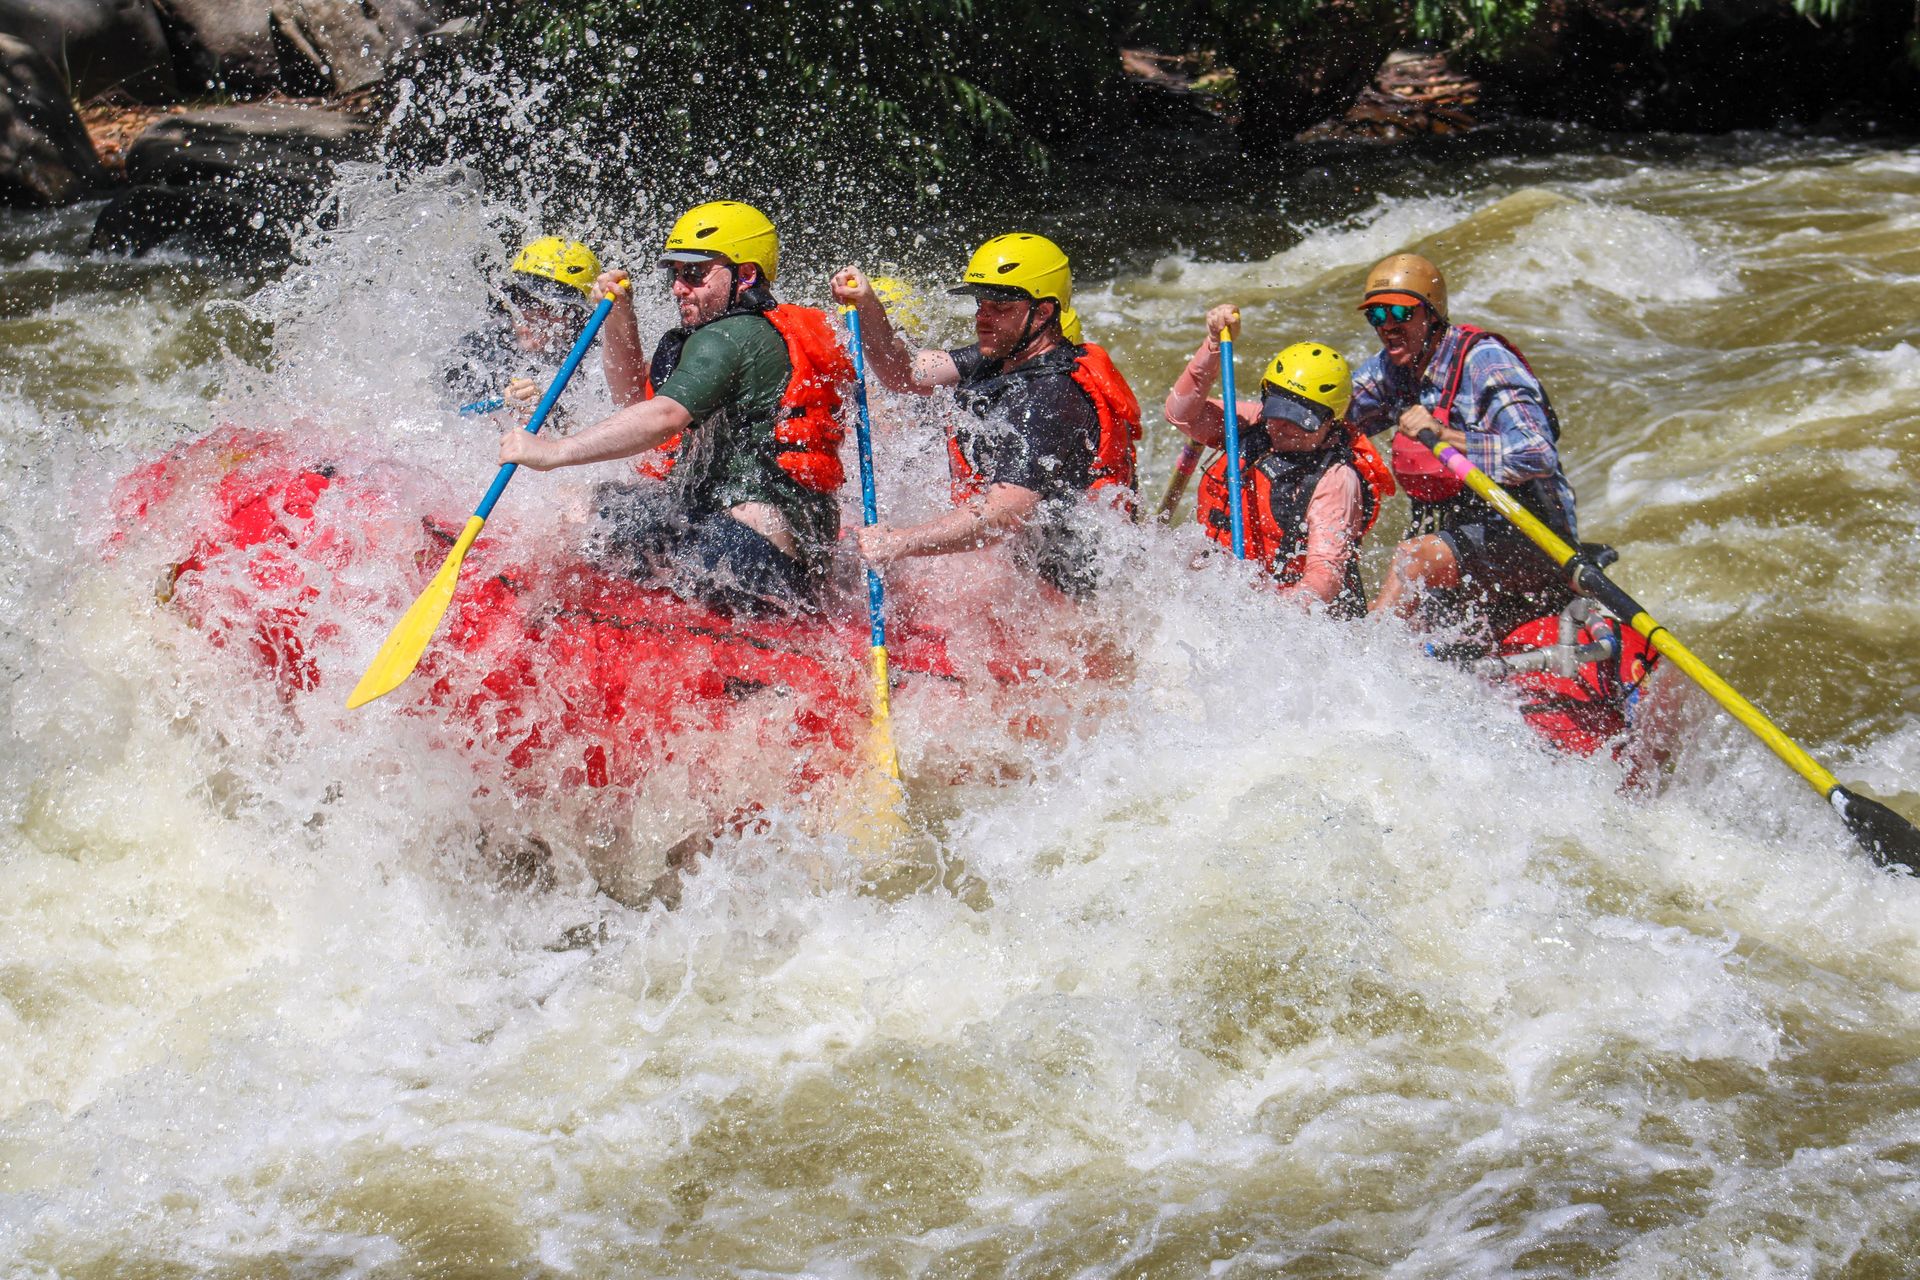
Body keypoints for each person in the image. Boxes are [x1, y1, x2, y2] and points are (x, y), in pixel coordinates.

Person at [497, 201, 853, 615]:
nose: (679, 287)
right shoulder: (750, 331)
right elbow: (634, 399)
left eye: (696, 274)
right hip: (773, 541)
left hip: (752, 548)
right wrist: (620, 316)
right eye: (676, 274)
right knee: (582, 503)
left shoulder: (727, 339)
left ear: (746, 274)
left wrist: (553, 452)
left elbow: (664, 417)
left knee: (582, 512)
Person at [829, 233, 1141, 599]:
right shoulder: (1000, 358)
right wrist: (868, 305)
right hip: (1022, 575)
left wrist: (901, 542)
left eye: (1000, 307)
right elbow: (905, 373)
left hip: (1067, 602)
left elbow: (1004, 514)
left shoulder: (1050, 397)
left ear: (1042, 312)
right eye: (981, 304)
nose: (983, 317)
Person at [1347, 253, 1580, 639]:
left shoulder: (1485, 362)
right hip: (1461, 538)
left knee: (1411, 560)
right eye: (1376, 315)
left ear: (1431, 314)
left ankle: (1365, 654)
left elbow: (1537, 452)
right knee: (1410, 607)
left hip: (1537, 539)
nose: (1387, 325)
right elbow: (1330, 413)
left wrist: (1444, 435)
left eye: (1399, 313)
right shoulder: (1394, 369)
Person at [1164, 307, 1393, 616]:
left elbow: (1324, 578)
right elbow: (1180, 414)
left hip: (1292, 618)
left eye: (1300, 420)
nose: (1283, 426)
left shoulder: (1336, 480)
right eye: (1277, 410)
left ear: (1330, 421)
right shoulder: (1254, 423)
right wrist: (1213, 345)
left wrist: (1266, 615)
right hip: (1225, 592)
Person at [446, 236, 601, 411]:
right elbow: (442, 413)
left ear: (577, 319)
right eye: (528, 299)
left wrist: (553, 413)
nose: (538, 315)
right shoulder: (478, 348)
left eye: (554, 307)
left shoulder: (593, 362)